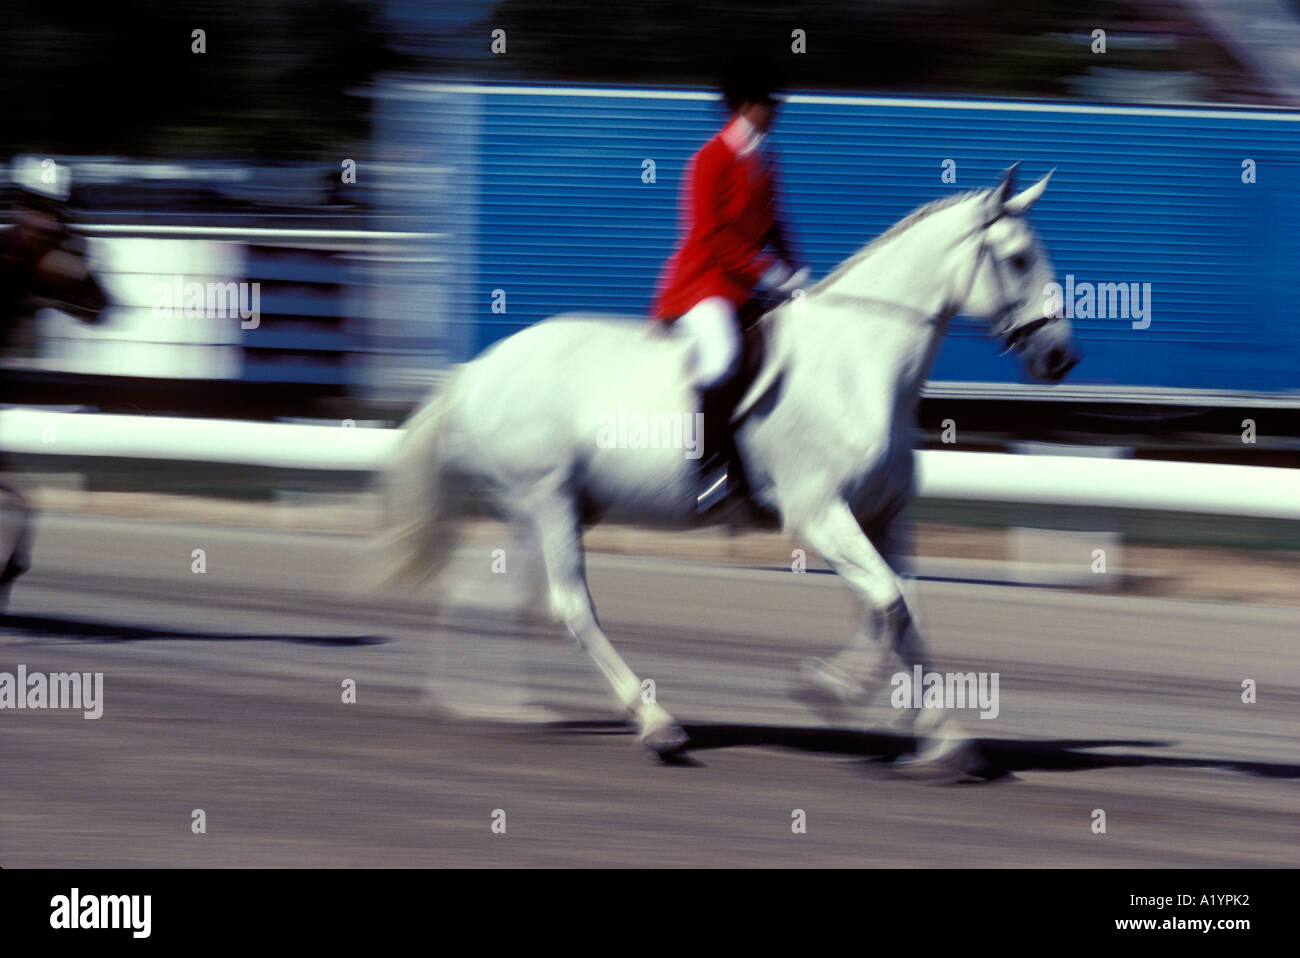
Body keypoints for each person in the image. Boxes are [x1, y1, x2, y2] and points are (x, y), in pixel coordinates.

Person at [654, 56, 808, 514]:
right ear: (745, 105)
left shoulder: (766, 157)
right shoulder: (709, 160)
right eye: (769, 102)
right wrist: (767, 272)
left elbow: (775, 223)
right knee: (722, 358)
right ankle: (703, 472)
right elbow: (710, 235)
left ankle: (758, 470)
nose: (777, 109)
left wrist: (797, 273)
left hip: (745, 285)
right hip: (701, 285)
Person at [0, 157, 107, 612]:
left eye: (58, 211)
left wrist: (76, 274)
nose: (51, 220)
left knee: (17, 507)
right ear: (21, 207)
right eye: (41, 208)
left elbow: (97, 310)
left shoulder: (53, 256)